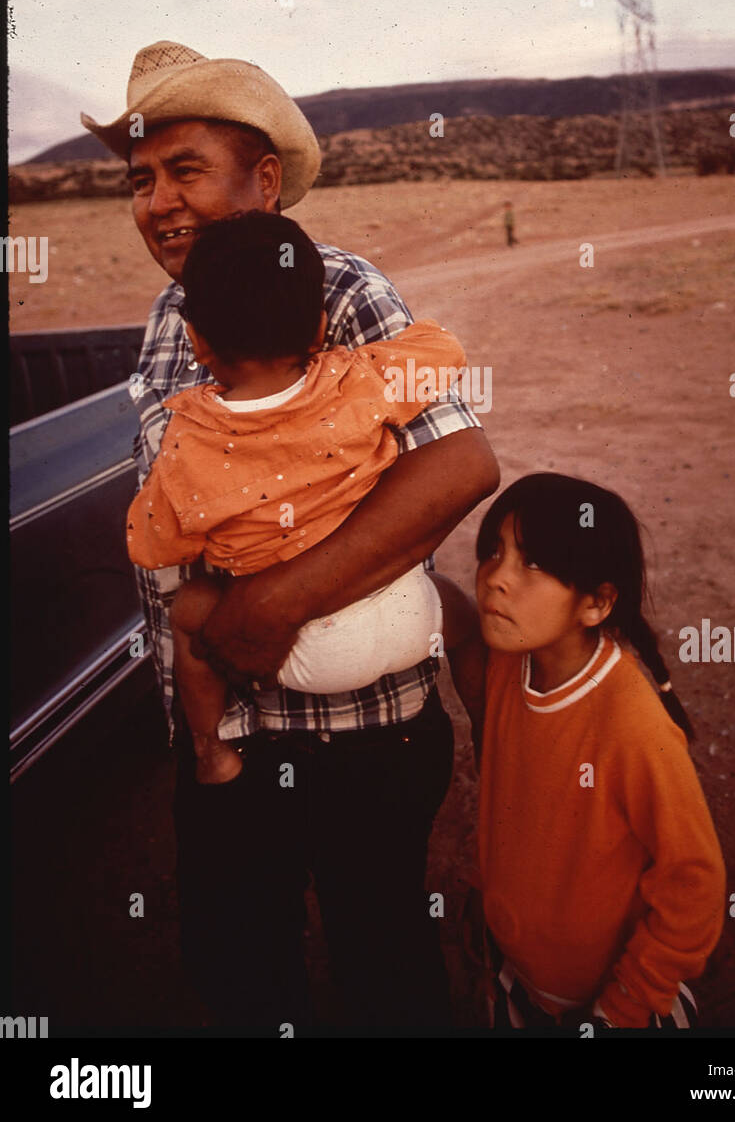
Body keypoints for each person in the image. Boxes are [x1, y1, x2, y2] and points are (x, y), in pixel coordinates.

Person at [81, 40, 499, 1031]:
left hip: (362, 733)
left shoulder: (337, 289)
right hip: (219, 737)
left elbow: (459, 464)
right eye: (140, 178)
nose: (158, 201)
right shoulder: (166, 317)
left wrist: (272, 603)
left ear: (263, 182)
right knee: (235, 961)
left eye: (185, 169)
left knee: (382, 958)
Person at [126, 210, 481, 786]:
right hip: (412, 618)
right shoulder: (358, 380)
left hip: (299, 661)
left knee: (190, 611)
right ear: (319, 329)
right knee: (459, 608)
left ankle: (209, 747)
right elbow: (442, 352)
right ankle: (490, 727)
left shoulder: (187, 441)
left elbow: (153, 542)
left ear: (198, 342)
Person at [466, 472, 725, 1030]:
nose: (495, 580)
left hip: (614, 1009)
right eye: (493, 552)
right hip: (519, 980)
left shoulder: (631, 724)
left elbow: (694, 881)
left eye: (532, 564)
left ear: (596, 603)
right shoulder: (509, 664)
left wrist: (626, 1004)